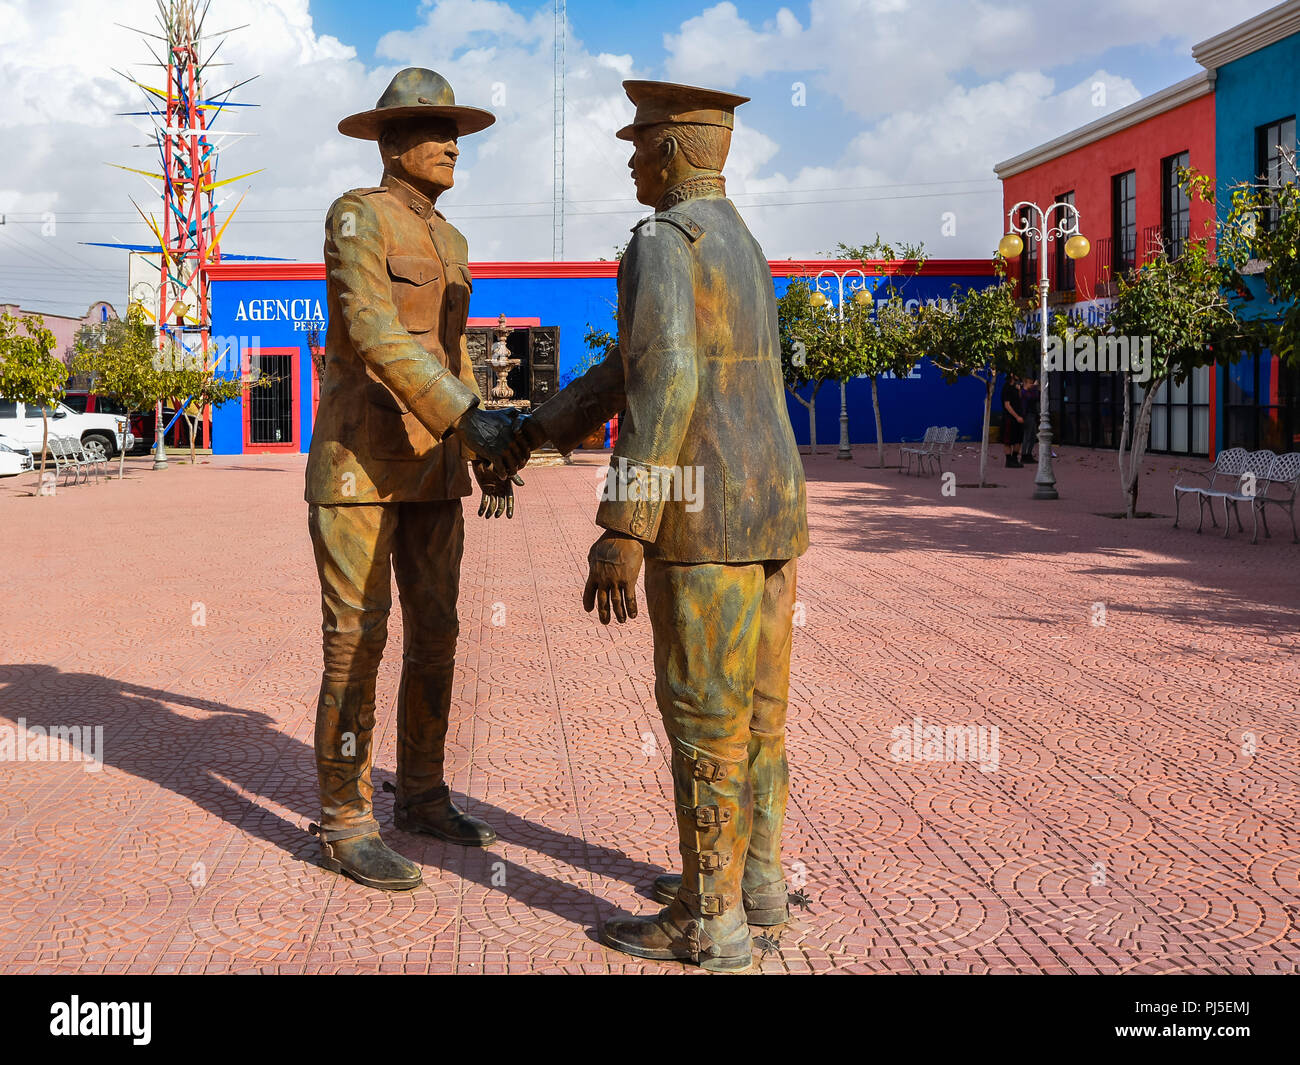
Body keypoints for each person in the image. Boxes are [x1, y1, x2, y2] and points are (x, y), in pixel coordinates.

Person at [502, 79, 809, 972]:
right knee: (760, 716)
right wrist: (534, 431)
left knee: (704, 716)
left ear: (672, 150)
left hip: (701, 519)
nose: (633, 159)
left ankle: (708, 924)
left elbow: (668, 378)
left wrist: (625, 525)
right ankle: (757, 886)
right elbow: (639, 369)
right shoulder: (742, 243)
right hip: (772, 513)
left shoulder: (661, 240)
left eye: (639, 145)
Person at [304, 68, 523, 892]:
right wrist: (465, 415)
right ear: (393, 142)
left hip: (434, 468)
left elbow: (453, 350)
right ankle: (344, 817)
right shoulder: (356, 216)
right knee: (356, 642)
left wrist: (480, 451)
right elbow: (369, 329)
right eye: (435, 131)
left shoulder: (453, 241)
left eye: (455, 130)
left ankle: (423, 793)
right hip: (358, 466)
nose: (452, 144)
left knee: (438, 634)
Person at [1001, 373, 1024, 468]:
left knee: (1018, 440)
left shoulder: (1015, 387)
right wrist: (1016, 416)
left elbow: (1020, 400)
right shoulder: (1006, 387)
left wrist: (1019, 390)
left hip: (1018, 417)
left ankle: (1014, 458)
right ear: (1012, 375)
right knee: (1008, 440)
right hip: (1009, 418)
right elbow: (1007, 405)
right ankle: (1008, 460)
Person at [1019, 374, 1040, 464]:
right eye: (1030, 383)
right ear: (1025, 383)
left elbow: (1036, 398)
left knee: (1032, 436)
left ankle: (1028, 454)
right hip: (1027, 415)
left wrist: (1036, 389)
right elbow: (1031, 398)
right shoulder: (1023, 392)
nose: (1031, 385)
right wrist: (1035, 387)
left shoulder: (1030, 391)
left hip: (1032, 414)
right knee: (1027, 436)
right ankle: (1024, 455)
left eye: (1032, 383)